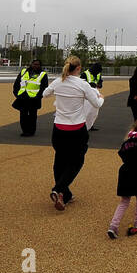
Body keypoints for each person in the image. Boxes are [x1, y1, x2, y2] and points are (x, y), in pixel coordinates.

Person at [42, 56, 103, 210]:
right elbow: (96, 103)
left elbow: (45, 94)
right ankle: (59, 189)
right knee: (77, 161)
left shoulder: (58, 81)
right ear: (78, 68)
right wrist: (101, 98)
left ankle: (65, 195)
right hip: (76, 129)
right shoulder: (82, 85)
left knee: (60, 160)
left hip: (59, 128)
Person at [12, 59, 48, 136]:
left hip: (34, 99)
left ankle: (31, 131)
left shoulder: (43, 74)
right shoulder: (23, 71)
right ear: (31, 64)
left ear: (40, 66)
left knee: (32, 116)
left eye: (38, 64)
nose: (36, 66)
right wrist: (17, 94)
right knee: (23, 115)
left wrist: (38, 97)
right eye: (34, 64)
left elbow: (44, 87)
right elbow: (16, 84)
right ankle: (24, 131)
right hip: (23, 97)